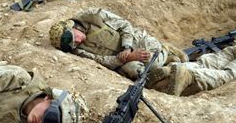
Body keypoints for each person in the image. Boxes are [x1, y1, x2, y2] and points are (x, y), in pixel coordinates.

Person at [48, 8, 188, 80]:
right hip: (122, 60)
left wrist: (127, 47)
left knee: (154, 63)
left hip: (137, 40)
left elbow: (124, 25)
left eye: (74, 37)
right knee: (137, 72)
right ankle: (168, 62)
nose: (77, 42)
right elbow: (101, 60)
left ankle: (165, 50)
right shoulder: (77, 50)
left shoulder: (93, 16)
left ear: (71, 27)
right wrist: (128, 57)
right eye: (73, 44)